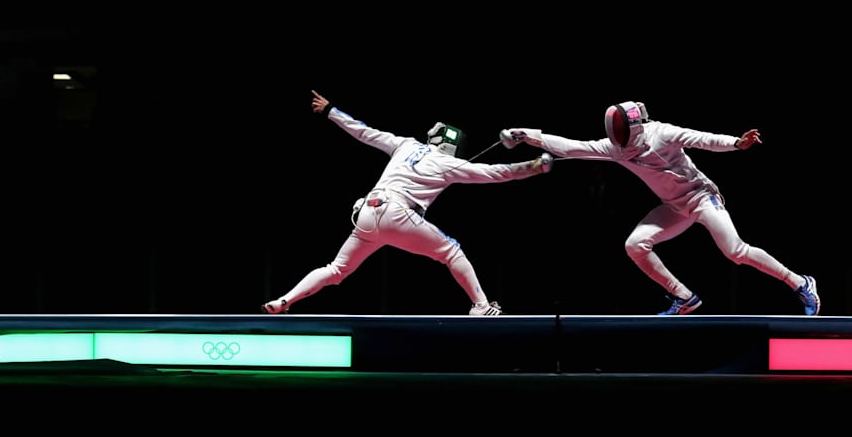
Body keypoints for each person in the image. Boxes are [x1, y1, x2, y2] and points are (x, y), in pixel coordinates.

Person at [500, 101, 820, 316]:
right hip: (674, 207)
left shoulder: (663, 134)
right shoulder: (616, 148)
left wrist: (736, 142)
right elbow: (573, 147)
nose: (618, 139)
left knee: (734, 251)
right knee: (635, 245)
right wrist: (529, 135)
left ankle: (800, 282)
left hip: (702, 197)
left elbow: (702, 139)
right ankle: (683, 297)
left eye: (622, 131)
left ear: (636, 126)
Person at [261, 90, 554, 316]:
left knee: (337, 270)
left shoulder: (406, 144)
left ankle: (284, 300)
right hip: (398, 213)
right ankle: (480, 305)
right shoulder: (448, 164)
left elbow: (365, 132)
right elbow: (495, 173)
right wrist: (535, 166)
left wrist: (331, 111)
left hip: (366, 211)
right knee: (451, 252)